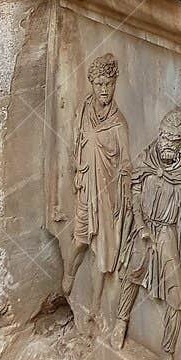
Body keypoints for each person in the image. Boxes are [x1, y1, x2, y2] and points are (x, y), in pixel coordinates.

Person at [114, 108, 181, 360]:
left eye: (176, 139)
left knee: (177, 294)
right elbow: (134, 193)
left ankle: (168, 351)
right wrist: (141, 227)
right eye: (166, 137)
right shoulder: (146, 158)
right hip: (144, 227)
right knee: (133, 271)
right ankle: (121, 321)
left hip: (168, 233)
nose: (169, 143)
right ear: (160, 133)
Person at [62, 54, 130, 296]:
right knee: (80, 241)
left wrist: (127, 198)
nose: (104, 89)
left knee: (101, 250)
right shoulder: (83, 111)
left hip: (107, 195)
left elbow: (125, 163)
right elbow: (75, 146)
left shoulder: (119, 123)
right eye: (99, 84)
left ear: (115, 84)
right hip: (85, 190)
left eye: (109, 84)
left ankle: (96, 305)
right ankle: (69, 275)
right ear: (92, 83)